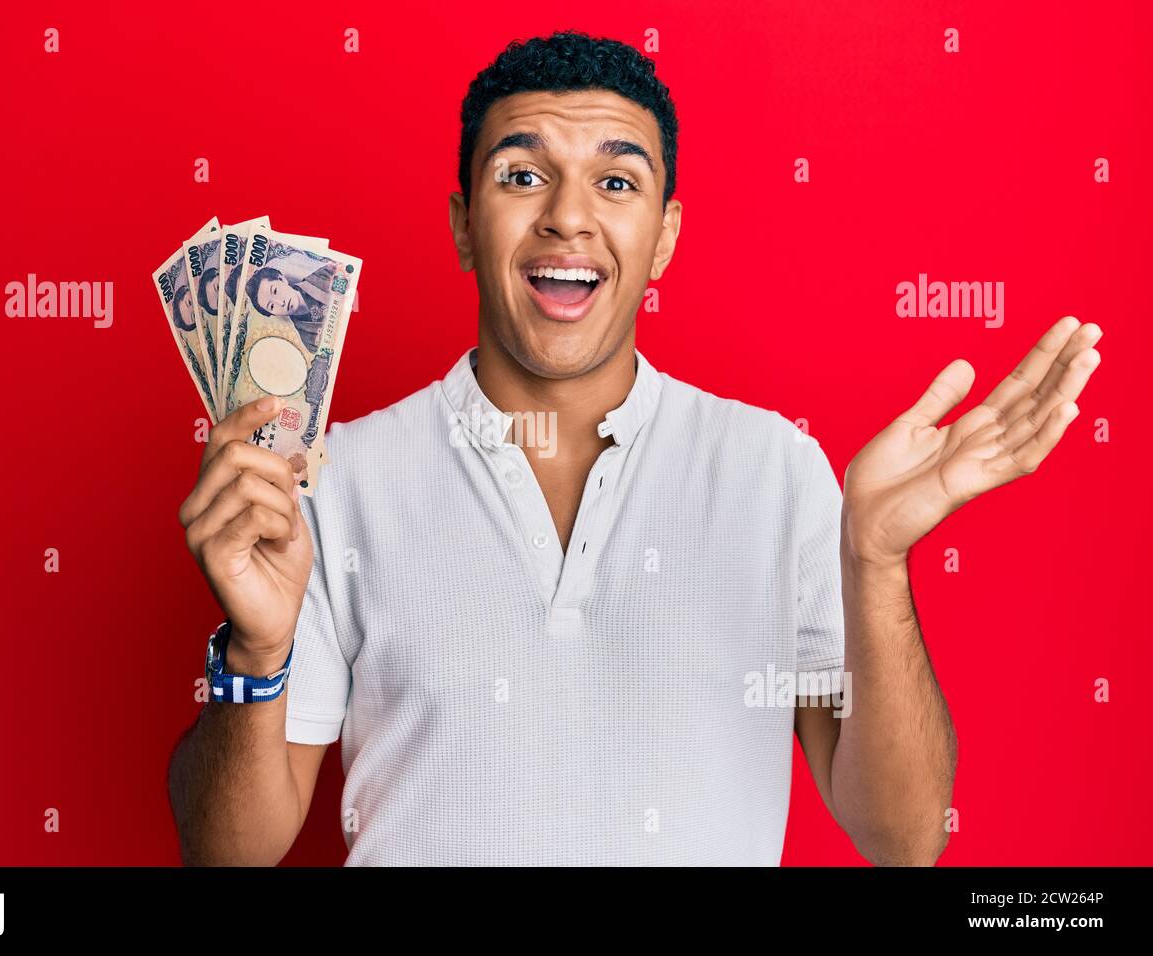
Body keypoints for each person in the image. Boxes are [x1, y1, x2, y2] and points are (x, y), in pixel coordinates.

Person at [166, 31, 1102, 866]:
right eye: (522, 175)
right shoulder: (336, 482)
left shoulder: (775, 472)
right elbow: (230, 854)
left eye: (616, 181)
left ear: (664, 238)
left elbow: (902, 842)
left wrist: (878, 562)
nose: (567, 216)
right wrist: (256, 647)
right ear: (462, 225)